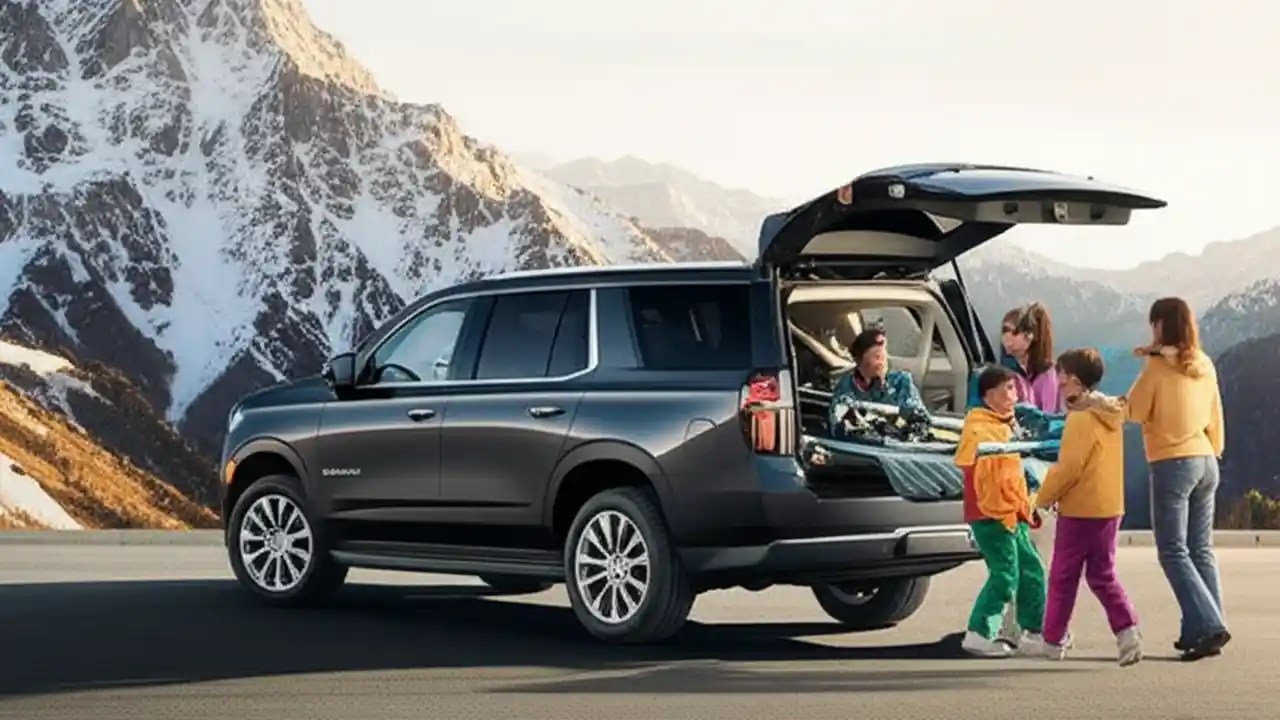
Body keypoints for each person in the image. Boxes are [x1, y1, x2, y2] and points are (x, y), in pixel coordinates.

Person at [1127, 297, 1229, 662]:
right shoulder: (1204, 363)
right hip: (1206, 460)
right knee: (1201, 549)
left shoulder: (1158, 367)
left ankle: (1210, 625)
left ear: (1160, 326)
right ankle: (1199, 630)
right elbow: (1216, 414)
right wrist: (1213, 450)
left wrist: (1147, 362)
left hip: (1173, 462)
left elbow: (1134, 409)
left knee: (1172, 550)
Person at [1033, 348, 1142, 665]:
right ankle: (1128, 631)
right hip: (1110, 506)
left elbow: (1069, 468)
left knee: (1063, 576)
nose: (1058, 382)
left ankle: (1053, 640)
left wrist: (1042, 498)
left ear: (1074, 381)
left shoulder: (1080, 419)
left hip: (1081, 509)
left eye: (1061, 376)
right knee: (1102, 574)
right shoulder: (1108, 414)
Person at [955, 364, 1048, 658]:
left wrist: (1025, 507)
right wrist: (1004, 509)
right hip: (990, 514)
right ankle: (979, 632)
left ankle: (1034, 631)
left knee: (1031, 568)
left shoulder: (1007, 424)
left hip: (1012, 512)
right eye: (1007, 389)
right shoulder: (978, 427)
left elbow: (1013, 476)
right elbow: (985, 478)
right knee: (1005, 574)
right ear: (988, 396)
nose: (1014, 394)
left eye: (1014, 387)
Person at [828, 328, 927, 440]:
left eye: (884, 356)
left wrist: (906, 433)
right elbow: (839, 425)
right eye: (877, 357)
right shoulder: (846, 386)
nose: (882, 362)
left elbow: (920, 420)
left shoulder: (900, 382)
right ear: (859, 360)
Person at [1000, 302, 1065, 413]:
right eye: (1005, 332)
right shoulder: (1009, 371)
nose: (1007, 338)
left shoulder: (1047, 376)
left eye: (1014, 333)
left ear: (1030, 335)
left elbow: (1048, 416)